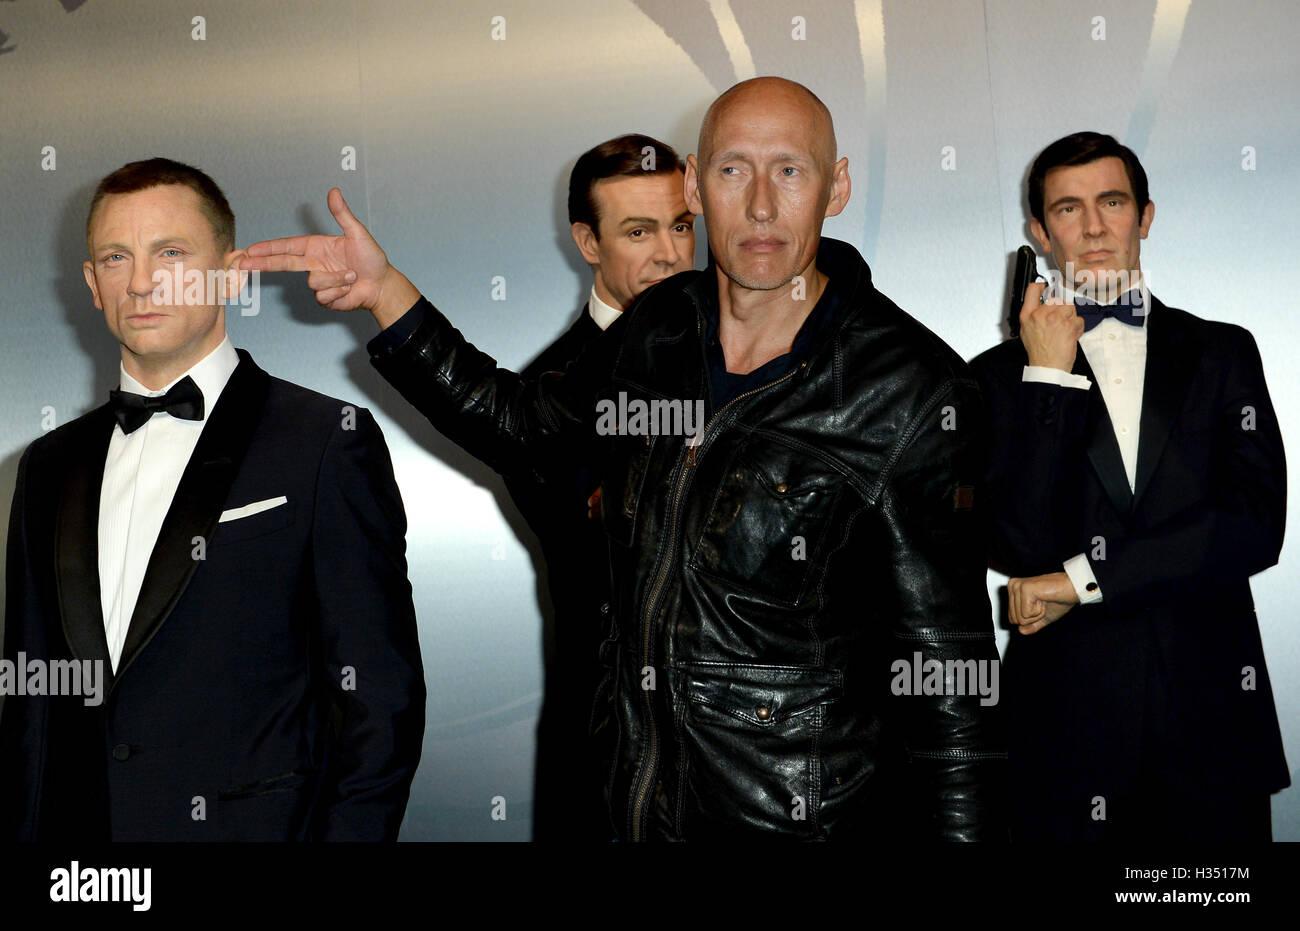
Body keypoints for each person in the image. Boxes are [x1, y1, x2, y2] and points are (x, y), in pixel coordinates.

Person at [245, 77, 1004, 840]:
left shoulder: (909, 390)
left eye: (791, 171)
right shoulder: (661, 331)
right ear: (695, 185)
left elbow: (952, 687)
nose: (763, 205)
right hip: (633, 815)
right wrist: (386, 295)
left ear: (835, 187)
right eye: (734, 169)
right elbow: (525, 427)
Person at [0, 158, 426, 841]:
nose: (141, 281)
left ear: (229, 272)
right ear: (91, 283)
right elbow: (28, 710)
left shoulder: (323, 443)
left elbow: (382, 701)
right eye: (116, 257)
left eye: (170, 252)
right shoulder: (47, 466)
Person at [970, 132, 1289, 841]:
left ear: (1145, 215)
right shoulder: (995, 377)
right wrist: (1048, 378)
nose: (1092, 227)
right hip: (1060, 738)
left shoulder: (1223, 351)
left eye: (1111, 202)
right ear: (1039, 232)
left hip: (1209, 727)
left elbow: (1253, 525)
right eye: (1067, 208)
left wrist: (1082, 580)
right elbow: (1015, 541)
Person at [504, 134, 694, 840]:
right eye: (638, 231)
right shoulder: (544, 396)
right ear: (588, 242)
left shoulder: (755, 359)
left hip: (752, 763)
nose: (671, 253)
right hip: (610, 756)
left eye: (681, 225)